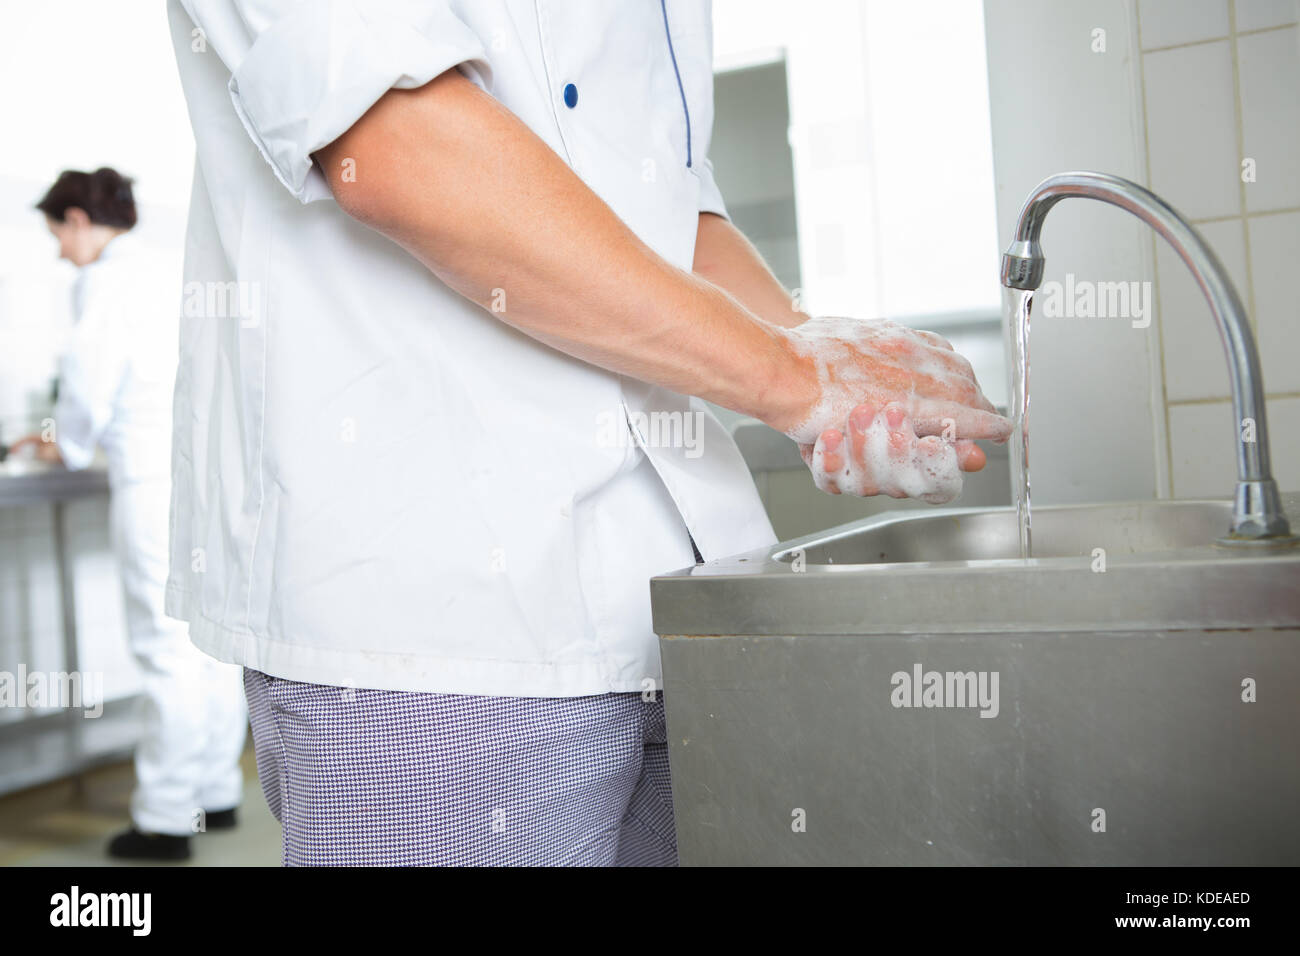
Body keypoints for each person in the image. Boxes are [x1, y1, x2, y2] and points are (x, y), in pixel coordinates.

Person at [167, 0, 1008, 866]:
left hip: (680, 584)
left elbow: (664, 203)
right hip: (437, 626)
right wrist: (796, 381)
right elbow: (400, 147)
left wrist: (823, 355)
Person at [13, 167, 248, 861]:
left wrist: (64, 442)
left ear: (80, 220)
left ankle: (166, 820)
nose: (59, 250)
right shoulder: (168, 268)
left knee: (162, 649)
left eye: (58, 232)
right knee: (208, 645)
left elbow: (87, 392)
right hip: (200, 475)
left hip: (150, 481)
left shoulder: (106, 284)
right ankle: (215, 796)